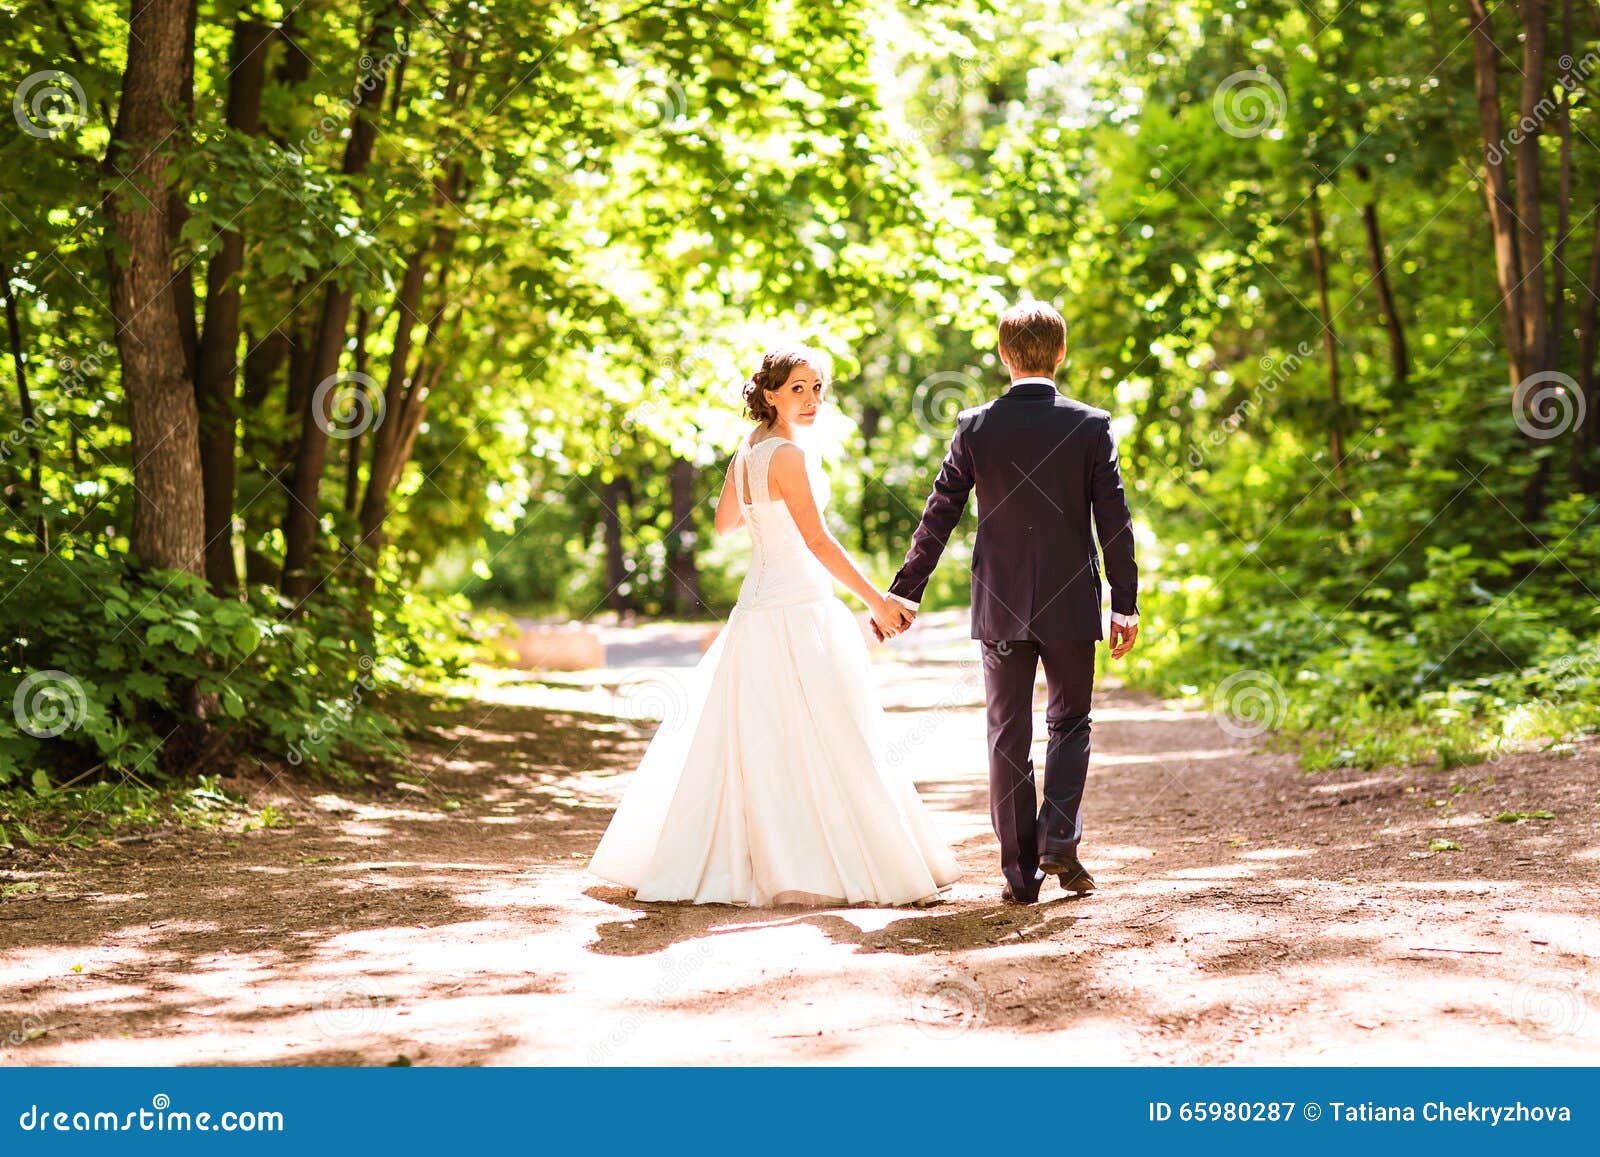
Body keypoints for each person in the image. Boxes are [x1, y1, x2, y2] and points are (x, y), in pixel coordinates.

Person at [587, 344, 961, 907]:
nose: (810, 400)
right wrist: (878, 601)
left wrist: (758, 494)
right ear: (770, 394)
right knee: (829, 730)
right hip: (798, 605)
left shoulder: (749, 452)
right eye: (797, 389)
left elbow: (724, 524)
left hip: (756, 606)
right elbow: (815, 540)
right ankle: (825, 862)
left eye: (816, 388)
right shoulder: (787, 453)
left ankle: (744, 858)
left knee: (758, 736)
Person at [877, 300, 1140, 905]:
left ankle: (1021, 875)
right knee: (1070, 721)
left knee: (1006, 733)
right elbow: (1115, 523)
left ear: (1003, 356)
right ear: (1062, 353)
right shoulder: (1091, 425)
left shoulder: (974, 426)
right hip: (1072, 602)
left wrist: (905, 591)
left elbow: (937, 515)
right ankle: (1059, 841)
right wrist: (1124, 604)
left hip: (1000, 604)